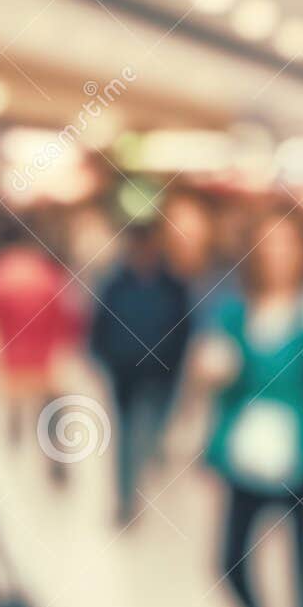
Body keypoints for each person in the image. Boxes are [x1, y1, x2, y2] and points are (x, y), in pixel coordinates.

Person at [197, 213, 303, 607]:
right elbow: (210, 370)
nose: (277, 254)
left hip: (301, 458)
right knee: (229, 561)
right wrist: (210, 370)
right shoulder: (234, 313)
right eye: (268, 244)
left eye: (286, 244)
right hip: (245, 457)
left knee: (302, 570)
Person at [89, 220, 193, 524]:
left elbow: (184, 329)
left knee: (147, 434)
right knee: (126, 438)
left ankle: (140, 477)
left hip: (159, 377)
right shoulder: (115, 284)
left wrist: (174, 365)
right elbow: (100, 325)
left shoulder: (173, 286)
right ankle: (125, 498)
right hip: (125, 377)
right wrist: (104, 359)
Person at [0, 217, 83, 480]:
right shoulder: (48, 273)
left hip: (11, 362)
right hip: (44, 362)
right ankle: (55, 459)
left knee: (14, 411)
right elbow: (69, 319)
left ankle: (14, 454)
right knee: (51, 411)